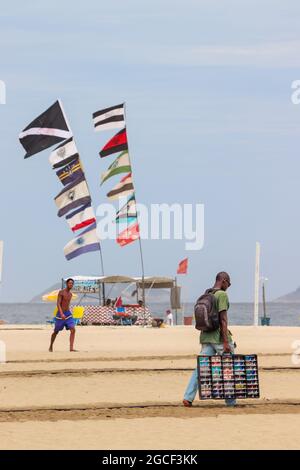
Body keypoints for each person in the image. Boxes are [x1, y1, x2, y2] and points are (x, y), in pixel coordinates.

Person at [183, 271, 236, 407]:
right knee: (229, 367)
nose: (228, 286)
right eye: (228, 283)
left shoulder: (207, 294)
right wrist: (225, 342)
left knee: (200, 368)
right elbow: (223, 320)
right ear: (223, 281)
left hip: (205, 337)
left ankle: (188, 397)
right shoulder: (222, 295)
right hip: (218, 338)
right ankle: (230, 401)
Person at [49, 278, 77, 352]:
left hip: (68, 314)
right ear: (66, 284)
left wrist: (67, 312)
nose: (71, 284)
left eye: (72, 283)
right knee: (56, 332)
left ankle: (71, 348)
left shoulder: (70, 294)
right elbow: (58, 303)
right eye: (69, 283)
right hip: (60, 315)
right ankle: (51, 345)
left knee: (73, 330)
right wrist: (61, 313)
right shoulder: (61, 292)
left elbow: (67, 304)